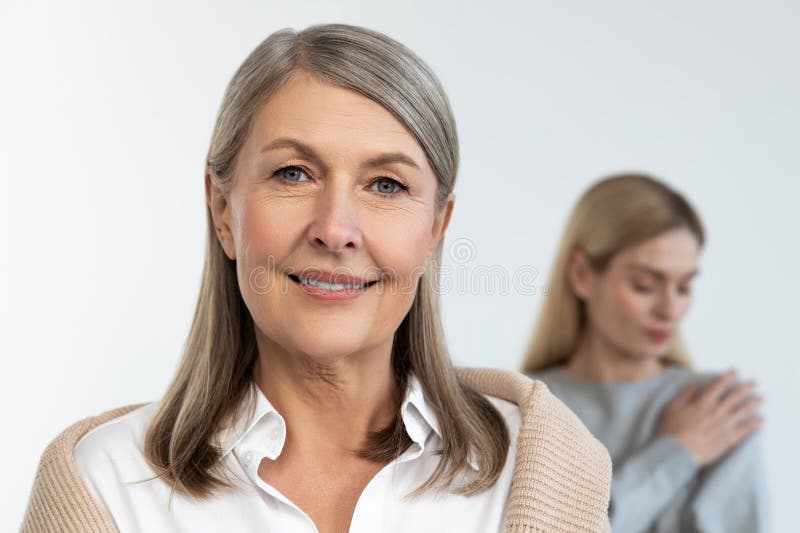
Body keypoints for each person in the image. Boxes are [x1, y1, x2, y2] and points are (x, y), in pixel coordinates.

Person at [21, 24, 611, 533]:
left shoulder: (535, 467)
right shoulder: (104, 485)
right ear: (222, 210)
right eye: (293, 173)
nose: (335, 230)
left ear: (437, 226)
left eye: (386, 185)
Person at [522, 173, 770, 532]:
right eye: (645, 285)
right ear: (581, 274)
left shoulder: (717, 408)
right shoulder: (525, 405)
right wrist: (675, 454)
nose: (670, 309)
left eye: (684, 287)